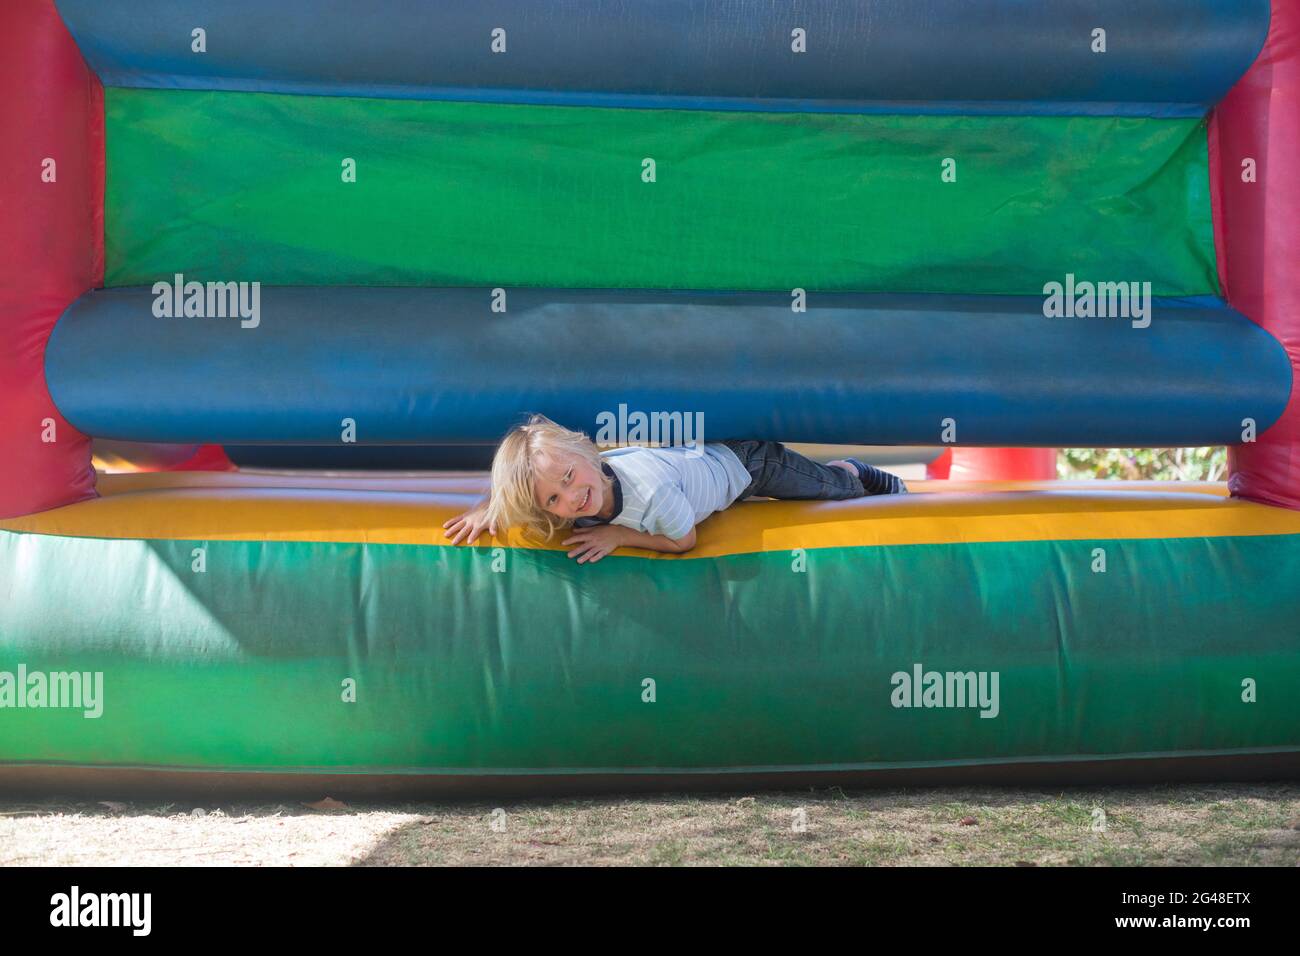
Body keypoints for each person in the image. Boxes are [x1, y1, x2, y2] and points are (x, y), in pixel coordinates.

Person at [443, 414, 907, 563]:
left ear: (589, 453)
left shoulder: (650, 492)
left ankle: (857, 471)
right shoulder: (575, 491)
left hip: (747, 466)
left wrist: (621, 536)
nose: (571, 499)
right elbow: (527, 495)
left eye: (569, 479)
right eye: (553, 500)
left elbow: (684, 541)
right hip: (696, 463)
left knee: (830, 488)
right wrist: (490, 508)